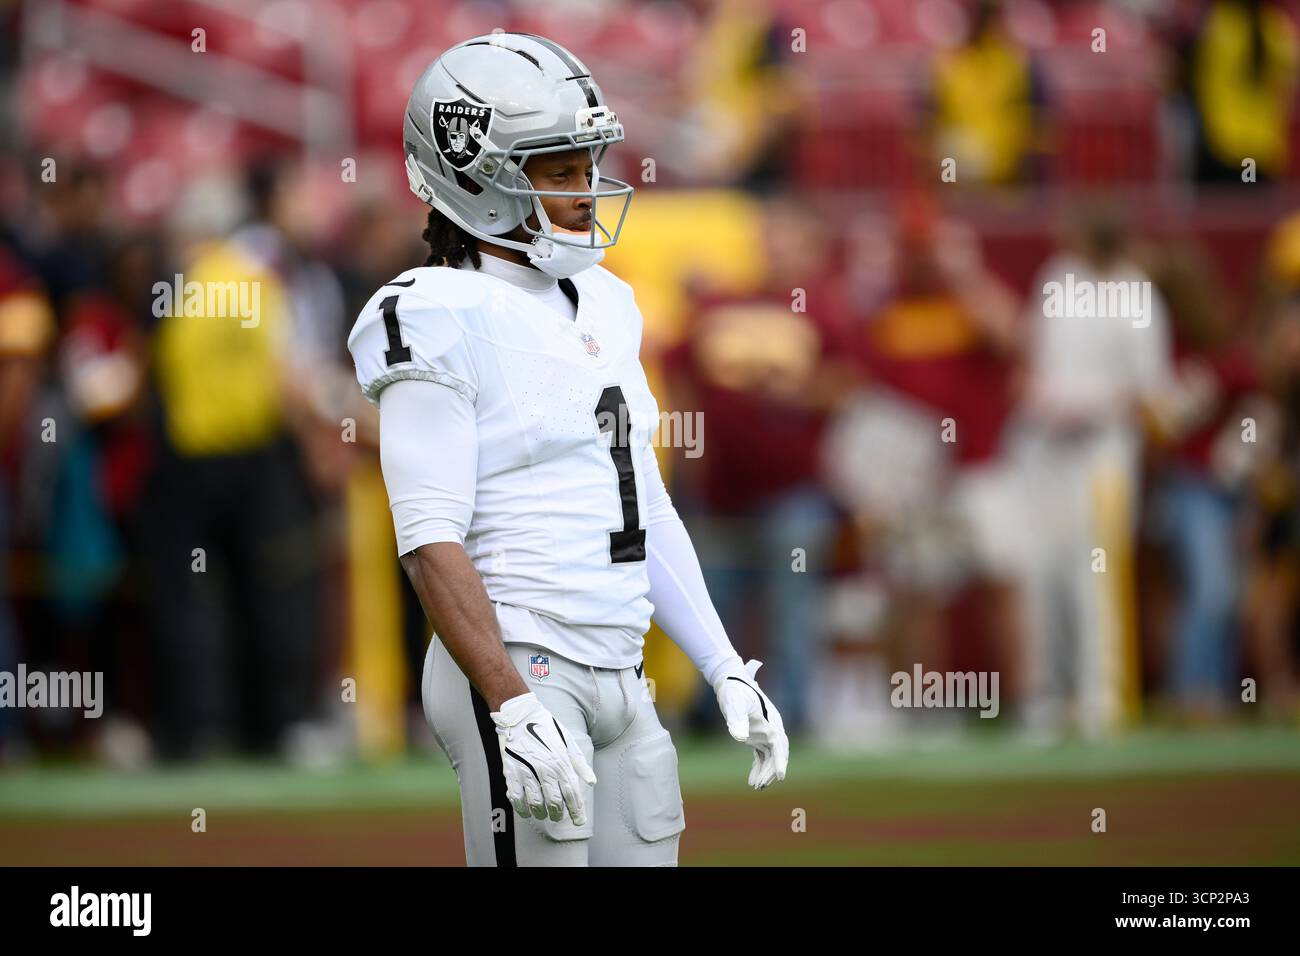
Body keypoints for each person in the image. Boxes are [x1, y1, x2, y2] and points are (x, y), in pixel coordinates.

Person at [347, 33, 789, 867]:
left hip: (621, 665)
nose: (586, 189)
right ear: (476, 178)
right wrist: (509, 704)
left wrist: (724, 662)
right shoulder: (435, 311)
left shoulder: (607, 301)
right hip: (518, 656)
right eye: (557, 169)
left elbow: (645, 505)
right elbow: (428, 539)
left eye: (587, 163)